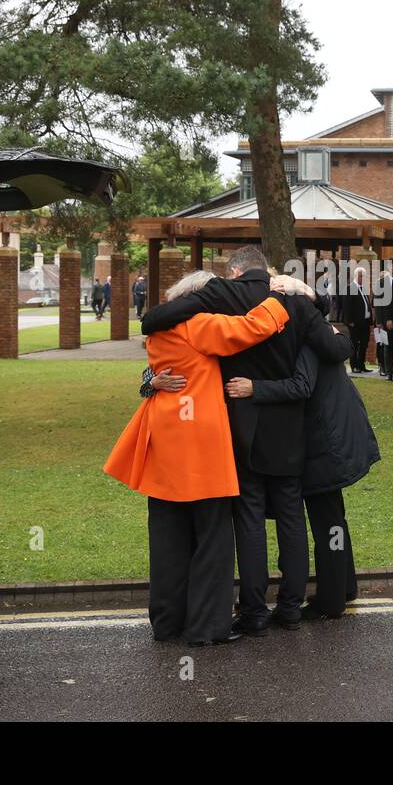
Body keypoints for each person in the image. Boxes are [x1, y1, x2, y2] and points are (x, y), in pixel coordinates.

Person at [140, 246, 352, 635]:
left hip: (239, 426)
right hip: (288, 428)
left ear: (235, 272)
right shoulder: (293, 303)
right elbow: (337, 349)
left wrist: (152, 378)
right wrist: (312, 299)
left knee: (249, 520)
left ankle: (254, 611)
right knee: (291, 518)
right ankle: (290, 607)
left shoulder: (221, 299)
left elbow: (156, 322)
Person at [105, 272, 291, 646]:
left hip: (164, 438)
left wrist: (151, 382)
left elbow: (157, 371)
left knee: (168, 539)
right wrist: (280, 299)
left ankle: (168, 622)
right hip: (200, 445)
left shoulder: (159, 330)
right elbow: (251, 328)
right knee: (213, 539)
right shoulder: (199, 324)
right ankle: (207, 626)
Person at [226, 324, 380, 620]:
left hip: (326, 438)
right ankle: (344, 586)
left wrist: (255, 388)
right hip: (335, 429)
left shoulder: (306, 339)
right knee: (334, 517)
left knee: (328, 523)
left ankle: (331, 601)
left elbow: (302, 386)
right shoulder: (321, 331)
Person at [342, 265, 375, 374]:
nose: (362, 278)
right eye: (361, 276)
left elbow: (366, 304)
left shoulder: (363, 288)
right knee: (355, 344)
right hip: (354, 322)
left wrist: (370, 320)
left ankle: (361, 365)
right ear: (355, 276)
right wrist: (349, 321)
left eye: (364, 276)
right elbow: (346, 305)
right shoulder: (350, 288)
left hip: (365, 321)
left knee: (364, 344)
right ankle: (354, 365)